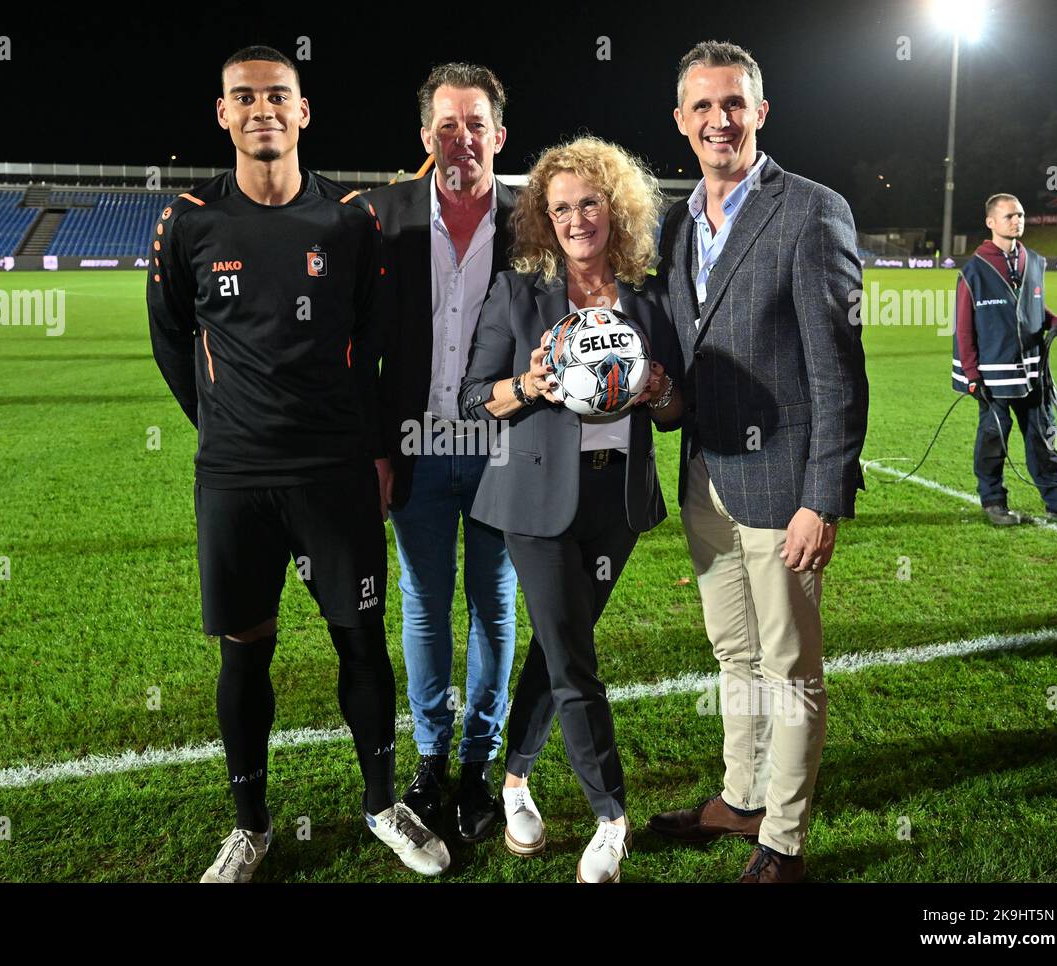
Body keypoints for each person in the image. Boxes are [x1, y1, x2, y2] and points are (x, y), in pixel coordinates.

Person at [146, 45, 449, 883]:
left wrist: (373, 446)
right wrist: (221, 426)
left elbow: (379, 341)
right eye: (244, 97)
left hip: (336, 475)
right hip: (236, 483)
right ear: (223, 114)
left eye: (278, 95)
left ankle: (384, 802)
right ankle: (251, 827)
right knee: (245, 652)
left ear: (303, 112)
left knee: (360, 642)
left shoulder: (351, 220)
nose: (262, 109)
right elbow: (172, 338)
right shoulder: (187, 220)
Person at [648, 40, 869, 883]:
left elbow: (839, 373)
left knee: (789, 665)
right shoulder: (678, 221)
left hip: (784, 485)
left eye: (734, 102)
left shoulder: (814, 210)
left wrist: (824, 495)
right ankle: (741, 794)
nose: (719, 119)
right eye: (702, 106)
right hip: (706, 476)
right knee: (733, 654)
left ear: (761, 111)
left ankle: (782, 837)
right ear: (681, 120)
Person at [459, 136, 681, 883]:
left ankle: (514, 779)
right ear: (542, 219)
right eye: (560, 207)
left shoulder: (647, 298)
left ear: (614, 208)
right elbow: (473, 397)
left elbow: (678, 407)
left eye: (589, 202)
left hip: (615, 500)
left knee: (560, 643)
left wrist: (659, 392)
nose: (577, 218)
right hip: (533, 501)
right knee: (576, 659)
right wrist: (529, 387)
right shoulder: (519, 294)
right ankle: (610, 816)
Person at [368, 64, 519, 842]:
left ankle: (476, 768)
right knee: (425, 603)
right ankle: (430, 761)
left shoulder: (531, 222)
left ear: (500, 134)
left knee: (494, 604)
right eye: (446, 125)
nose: (462, 138)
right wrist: (376, 445)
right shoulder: (383, 215)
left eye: (476, 123)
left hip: (502, 449)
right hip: (417, 446)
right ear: (427, 138)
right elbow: (358, 344)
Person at [952, 193, 1057, 528]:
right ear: (991, 222)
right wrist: (972, 375)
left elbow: (1035, 308)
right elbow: (963, 328)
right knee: (993, 439)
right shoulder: (973, 271)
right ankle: (993, 502)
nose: (1016, 220)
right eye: (1009, 216)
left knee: (1044, 438)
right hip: (994, 376)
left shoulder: (1034, 260)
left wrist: (1055, 322)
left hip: (1032, 371)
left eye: (1020, 215)